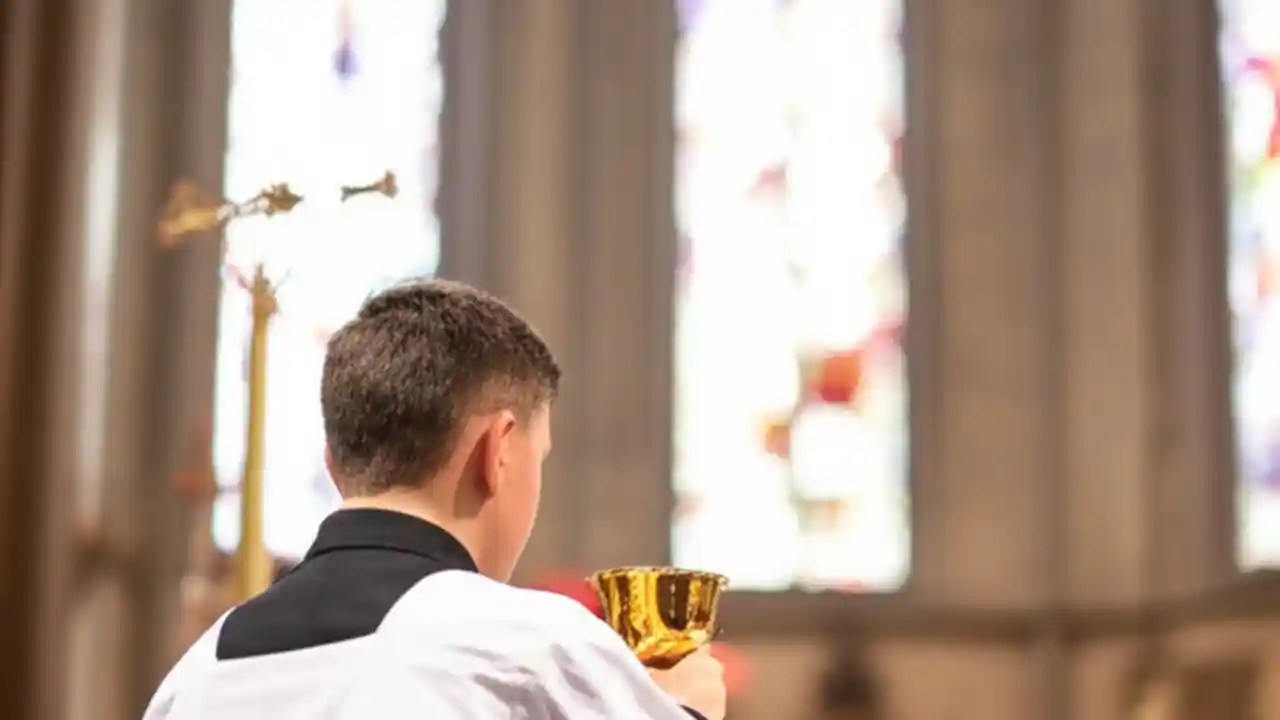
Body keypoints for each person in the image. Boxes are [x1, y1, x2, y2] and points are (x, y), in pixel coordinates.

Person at [143, 279, 726, 719]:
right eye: (537, 457)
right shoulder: (534, 648)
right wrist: (690, 708)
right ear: (496, 453)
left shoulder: (195, 677)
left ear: (334, 464)